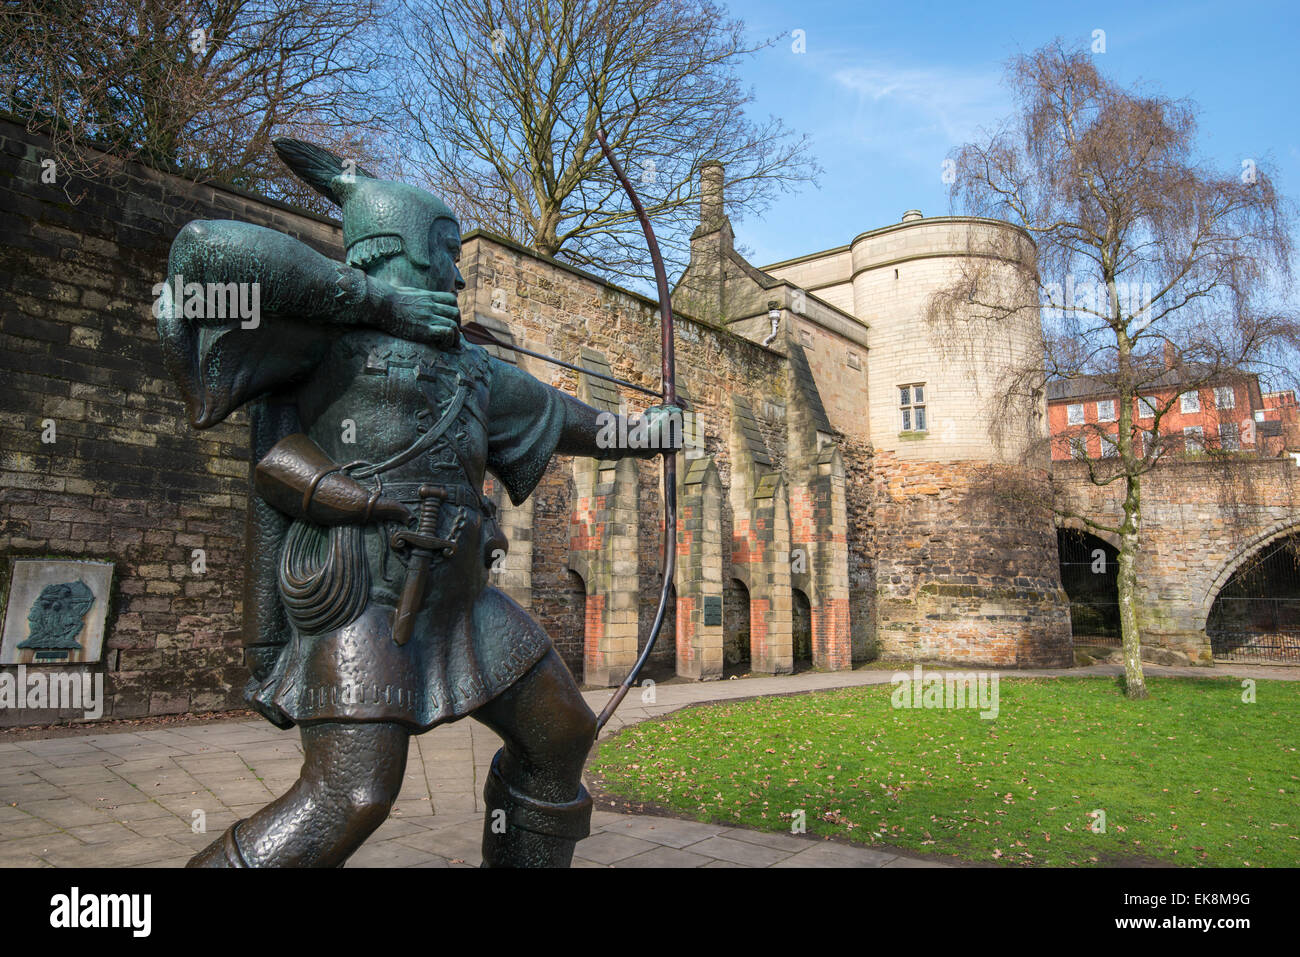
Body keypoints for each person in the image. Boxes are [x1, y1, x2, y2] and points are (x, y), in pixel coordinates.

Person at [157, 139, 679, 867]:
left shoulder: (473, 368)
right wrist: (381, 304)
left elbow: (568, 417)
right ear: (398, 246)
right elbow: (204, 250)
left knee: (559, 732)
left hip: (461, 597)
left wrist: (644, 431)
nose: (459, 269)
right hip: (363, 593)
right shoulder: (328, 333)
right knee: (352, 793)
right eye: (445, 247)